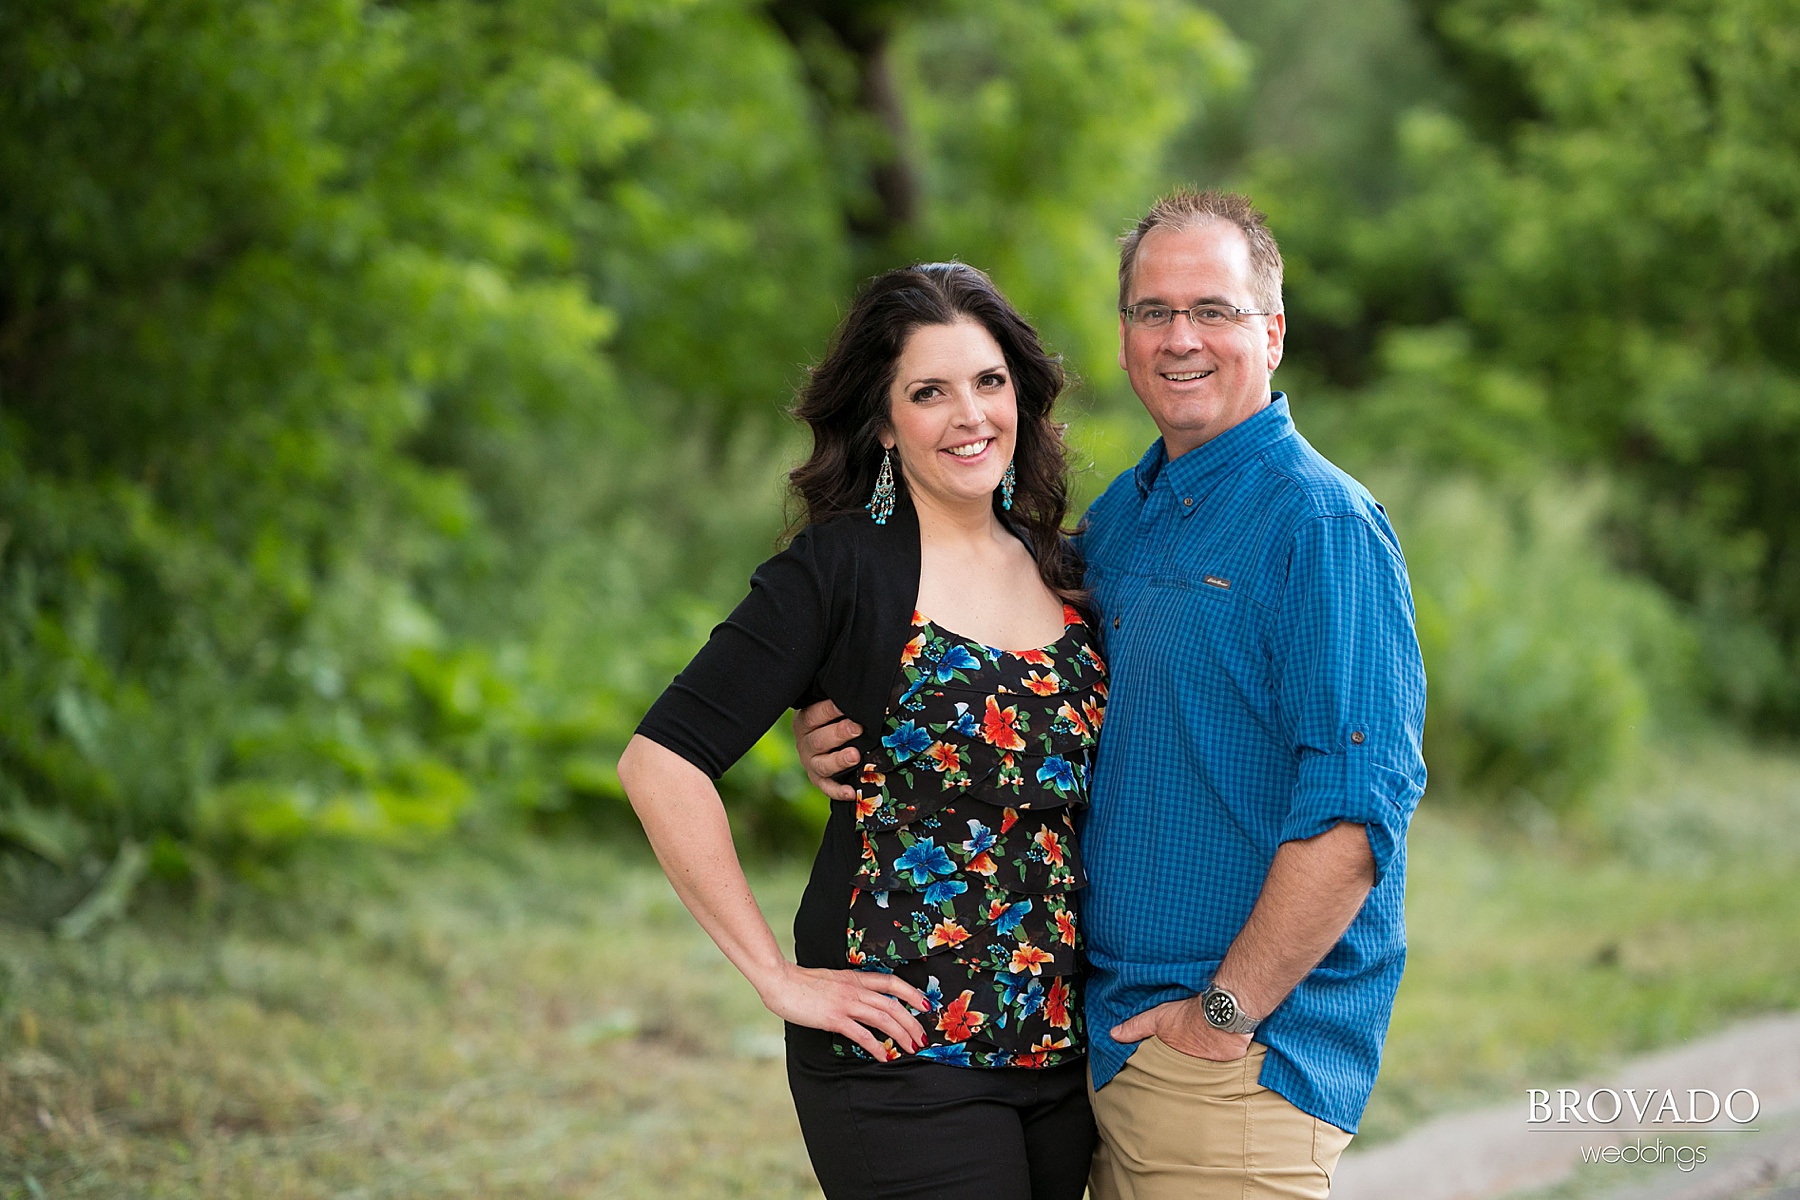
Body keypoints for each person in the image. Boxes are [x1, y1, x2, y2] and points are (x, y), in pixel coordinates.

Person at [796, 189, 1428, 1200]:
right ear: (1125, 337)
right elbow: (1009, 684)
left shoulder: (1322, 527)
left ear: (1272, 331)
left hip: (1234, 1059)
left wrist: (1224, 1014)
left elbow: (1356, 818)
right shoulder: (1124, 522)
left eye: (1213, 310)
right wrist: (847, 724)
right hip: (1099, 1046)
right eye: (1153, 311)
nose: (1181, 338)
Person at [618, 261, 1105, 1200]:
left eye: (989, 381)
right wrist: (776, 976)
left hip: (1061, 1053)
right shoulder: (836, 571)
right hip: (898, 1052)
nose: (970, 415)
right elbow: (660, 762)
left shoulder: (1069, 567)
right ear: (883, 422)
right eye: (929, 392)